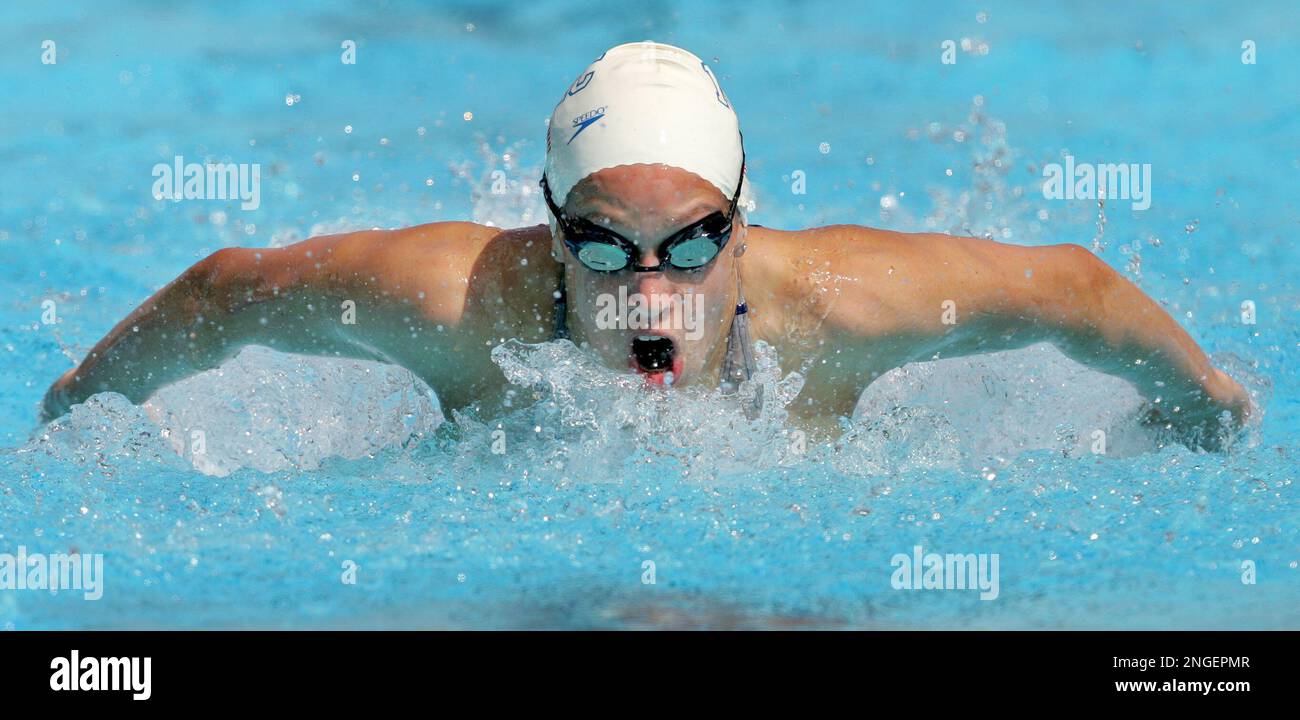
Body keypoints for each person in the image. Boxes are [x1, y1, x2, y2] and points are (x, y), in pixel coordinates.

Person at [40, 41, 1251, 450]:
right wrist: (82, 408)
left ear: (744, 215)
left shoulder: (842, 304)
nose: (651, 292)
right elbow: (223, 297)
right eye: (606, 250)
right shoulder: (461, 304)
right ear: (549, 226)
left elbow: (1072, 293)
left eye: (693, 242)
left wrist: (1201, 401)